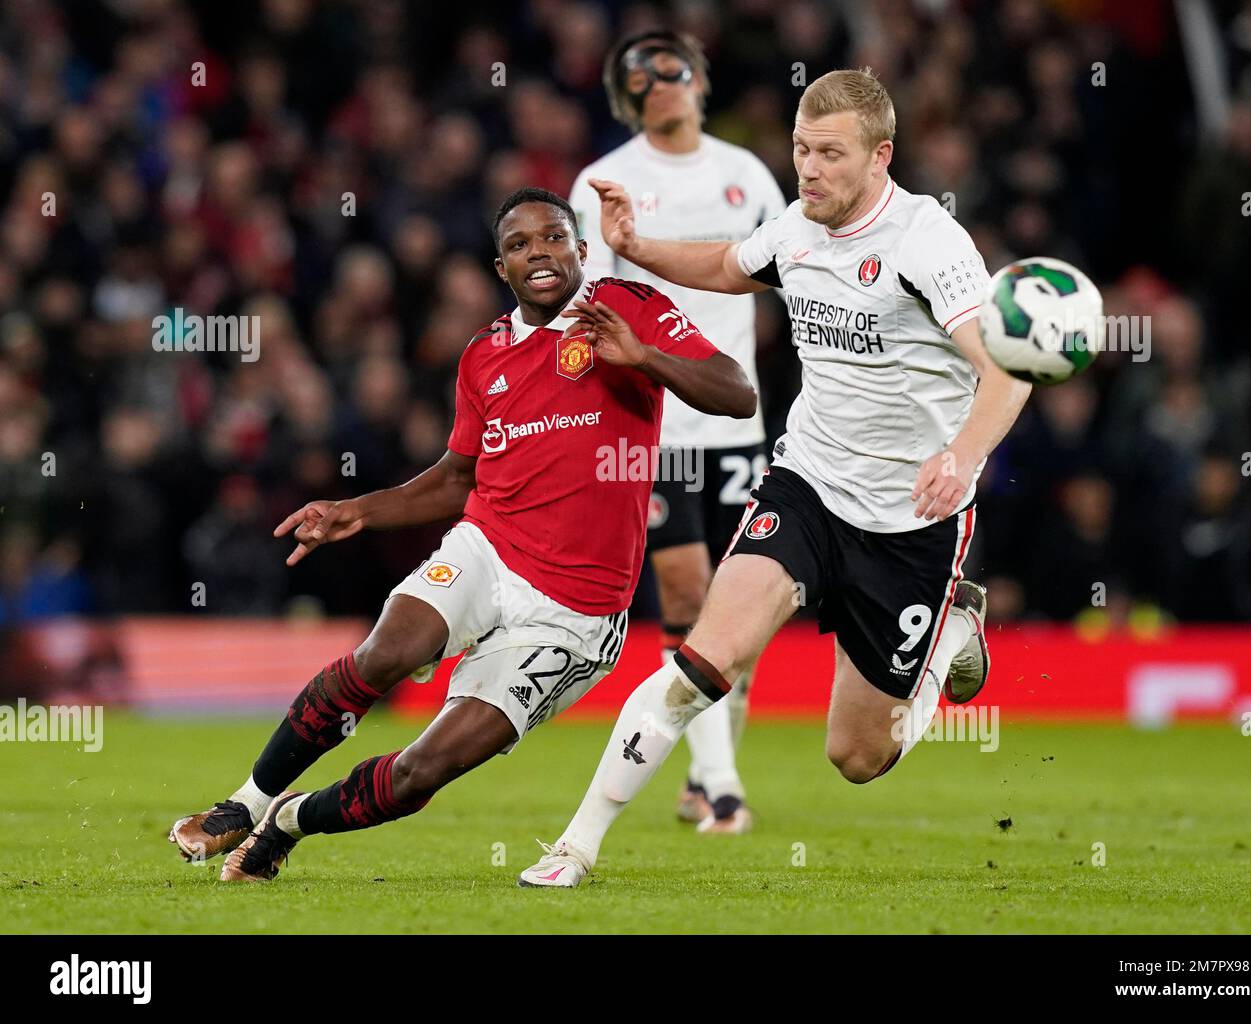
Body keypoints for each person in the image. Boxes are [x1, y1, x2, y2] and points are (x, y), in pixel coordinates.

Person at [518, 69, 1032, 888]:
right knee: (699, 663)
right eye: (800, 148)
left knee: (857, 756)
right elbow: (729, 263)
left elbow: (1007, 374)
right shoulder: (798, 228)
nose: (809, 168)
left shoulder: (927, 242)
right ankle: (574, 846)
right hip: (805, 486)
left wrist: (962, 456)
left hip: (910, 524)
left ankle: (949, 639)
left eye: (830, 153)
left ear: (880, 158)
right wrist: (637, 244)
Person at [166, 187, 756, 881]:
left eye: (553, 237)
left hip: (576, 611)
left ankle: (289, 820)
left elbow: (737, 391)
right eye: (518, 244)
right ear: (500, 269)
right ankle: (243, 802)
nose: (538, 251)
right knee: (387, 652)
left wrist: (644, 360)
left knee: (421, 772)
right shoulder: (484, 356)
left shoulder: (628, 310)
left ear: (581, 249)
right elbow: (456, 479)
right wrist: (359, 510)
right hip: (489, 551)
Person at [569, 29, 787, 833]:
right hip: (653, 425)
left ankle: (704, 773)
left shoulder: (746, 174)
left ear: (700, 79)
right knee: (690, 596)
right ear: (627, 97)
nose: (662, 83)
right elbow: (587, 295)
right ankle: (724, 790)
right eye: (643, 76)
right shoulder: (609, 179)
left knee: (744, 613)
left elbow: (794, 268)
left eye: (674, 70)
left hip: (736, 415)